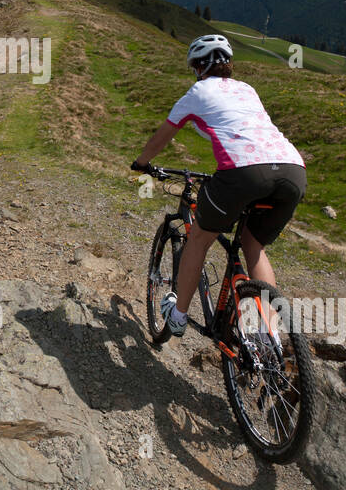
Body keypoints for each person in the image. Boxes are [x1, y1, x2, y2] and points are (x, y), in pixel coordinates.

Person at [130, 34, 307, 339]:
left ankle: (178, 317)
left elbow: (163, 135)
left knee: (198, 239)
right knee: (253, 246)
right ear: (228, 63)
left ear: (197, 67)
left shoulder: (197, 92)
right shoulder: (248, 89)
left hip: (243, 173)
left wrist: (142, 163)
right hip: (293, 171)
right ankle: (271, 337)